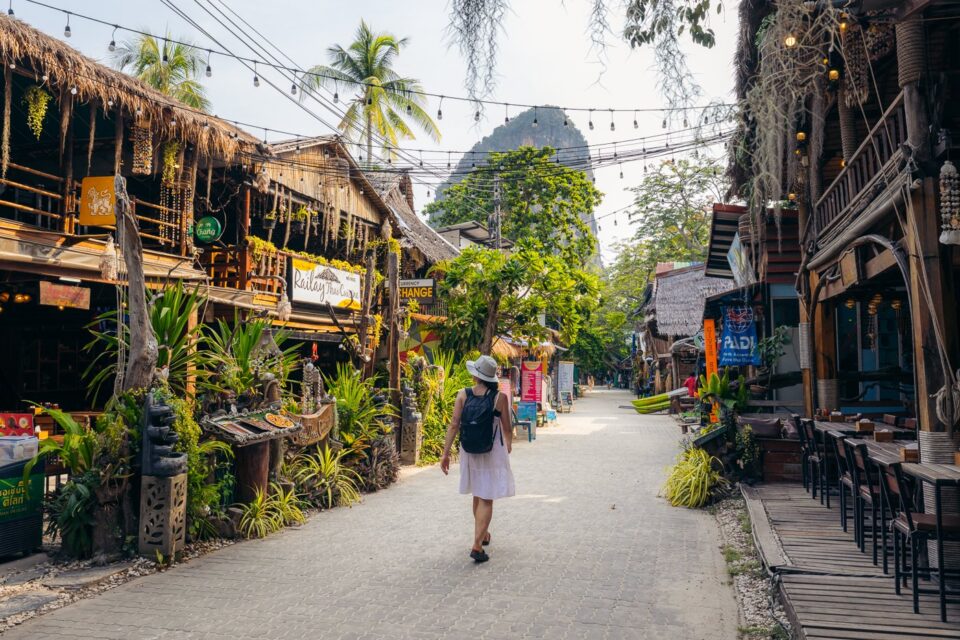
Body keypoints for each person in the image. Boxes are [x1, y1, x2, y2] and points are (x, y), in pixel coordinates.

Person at [440, 355, 514, 563]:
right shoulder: (500, 398)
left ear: (475, 375)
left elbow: (454, 424)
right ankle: (477, 545)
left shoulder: (463, 394)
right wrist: (507, 444)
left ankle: (483, 534)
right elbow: (507, 428)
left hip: (469, 449)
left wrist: (445, 454)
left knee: (477, 493)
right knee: (486, 496)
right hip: (491, 450)